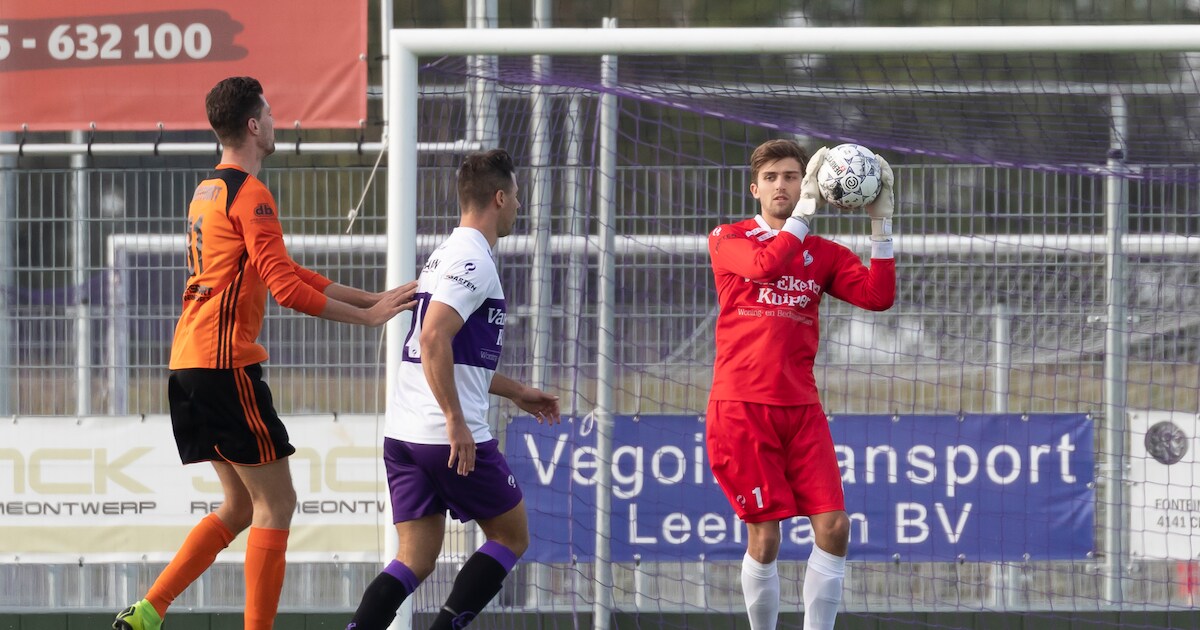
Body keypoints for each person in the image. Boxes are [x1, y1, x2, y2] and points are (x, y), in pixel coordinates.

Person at [113, 76, 418, 630]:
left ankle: (149, 610)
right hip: (225, 364)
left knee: (239, 506)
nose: (276, 123)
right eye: (271, 115)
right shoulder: (251, 194)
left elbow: (287, 271)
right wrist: (369, 318)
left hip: (188, 363)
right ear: (254, 125)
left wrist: (371, 296)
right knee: (277, 504)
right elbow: (287, 290)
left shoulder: (208, 191)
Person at [344, 149, 561, 630]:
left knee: (415, 559)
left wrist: (515, 391)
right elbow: (433, 337)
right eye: (518, 199)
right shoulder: (472, 260)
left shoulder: (443, 254)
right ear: (499, 198)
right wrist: (456, 420)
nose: (519, 208)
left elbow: (452, 355)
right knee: (511, 536)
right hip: (444, 435)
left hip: (404, 434)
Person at [705, 139, 896, 630]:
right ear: (754, 189)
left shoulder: (822, 253)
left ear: (806, 183)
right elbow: (766, 266)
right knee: (765, 540)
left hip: (801, 409)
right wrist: (804, 216)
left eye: (792, 176)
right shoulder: (728, 238)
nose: (783, 186)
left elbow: (878, 297)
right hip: (741, 409)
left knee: (835, 528)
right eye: (771, 178)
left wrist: (881, 223)